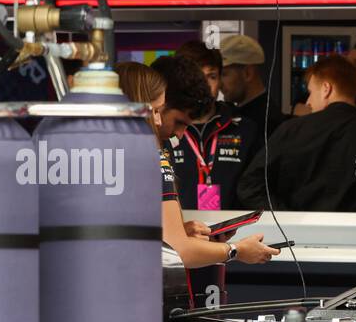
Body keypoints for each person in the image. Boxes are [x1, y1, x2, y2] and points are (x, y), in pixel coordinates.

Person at [116, 61, 275, 270]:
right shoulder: (151, 159)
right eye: (154, 111)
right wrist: (236, 250)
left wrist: (177, 231)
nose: (157, 121)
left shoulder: (95, 156)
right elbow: (179, 251)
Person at [236, 54, 356, 212]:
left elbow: (250, 186)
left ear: (326, 89)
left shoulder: (292, 131)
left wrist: (287, 218)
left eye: (310, 92)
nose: (308, 101)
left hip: (297, 238)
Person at [166, 43, 261, 211]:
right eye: (196, 78)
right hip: (180, 230)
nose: (204, 86)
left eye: (212, 76)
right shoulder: (165, 128)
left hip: (234, 232)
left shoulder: (246, 129)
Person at [218, 34, 287, 137]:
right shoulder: (238, 114)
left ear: (248, 73)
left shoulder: (265, 124)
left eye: (224, 74)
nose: (219, 84)